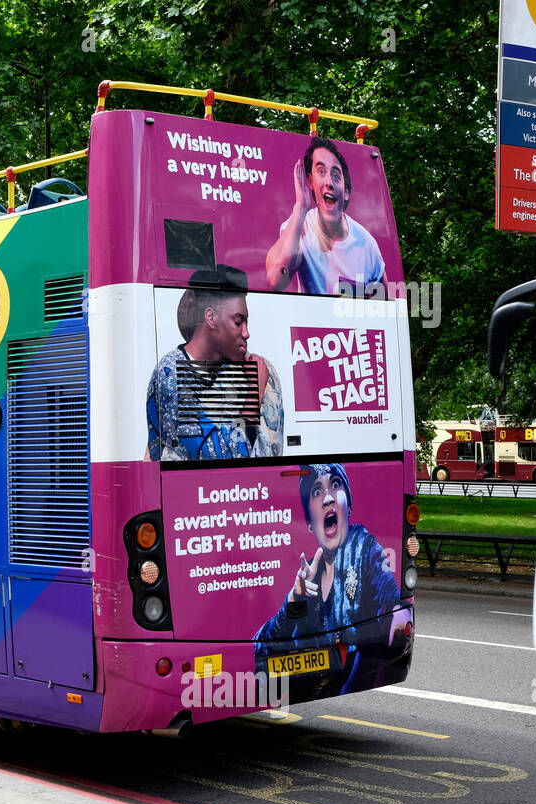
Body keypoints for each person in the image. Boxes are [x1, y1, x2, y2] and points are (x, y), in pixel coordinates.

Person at [253, 463, 400, 690]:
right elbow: (261, 649)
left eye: (335, 484)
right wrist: (293, 601)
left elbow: (390, 598)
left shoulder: (364, 548)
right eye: (317, 491)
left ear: (348, 505)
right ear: (309, 523)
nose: (328, 499)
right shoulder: (309, 576)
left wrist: (398, 615)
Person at [146, 265, 284, 460]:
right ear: (211, 318)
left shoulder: (260, 368)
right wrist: (255, 394)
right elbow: (223, 457)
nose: (246, 333)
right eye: (238, 322)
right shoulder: (171, 375)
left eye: (247, 323)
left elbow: (272, 456)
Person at [265, 137, 385, 295]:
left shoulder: (367, 244)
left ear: (346, 192)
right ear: (311, 182)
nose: (329, 182)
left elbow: (386, 306)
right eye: (321, 172)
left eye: (336, 176)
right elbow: (276, 279)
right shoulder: (300, 226)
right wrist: (301, 207)